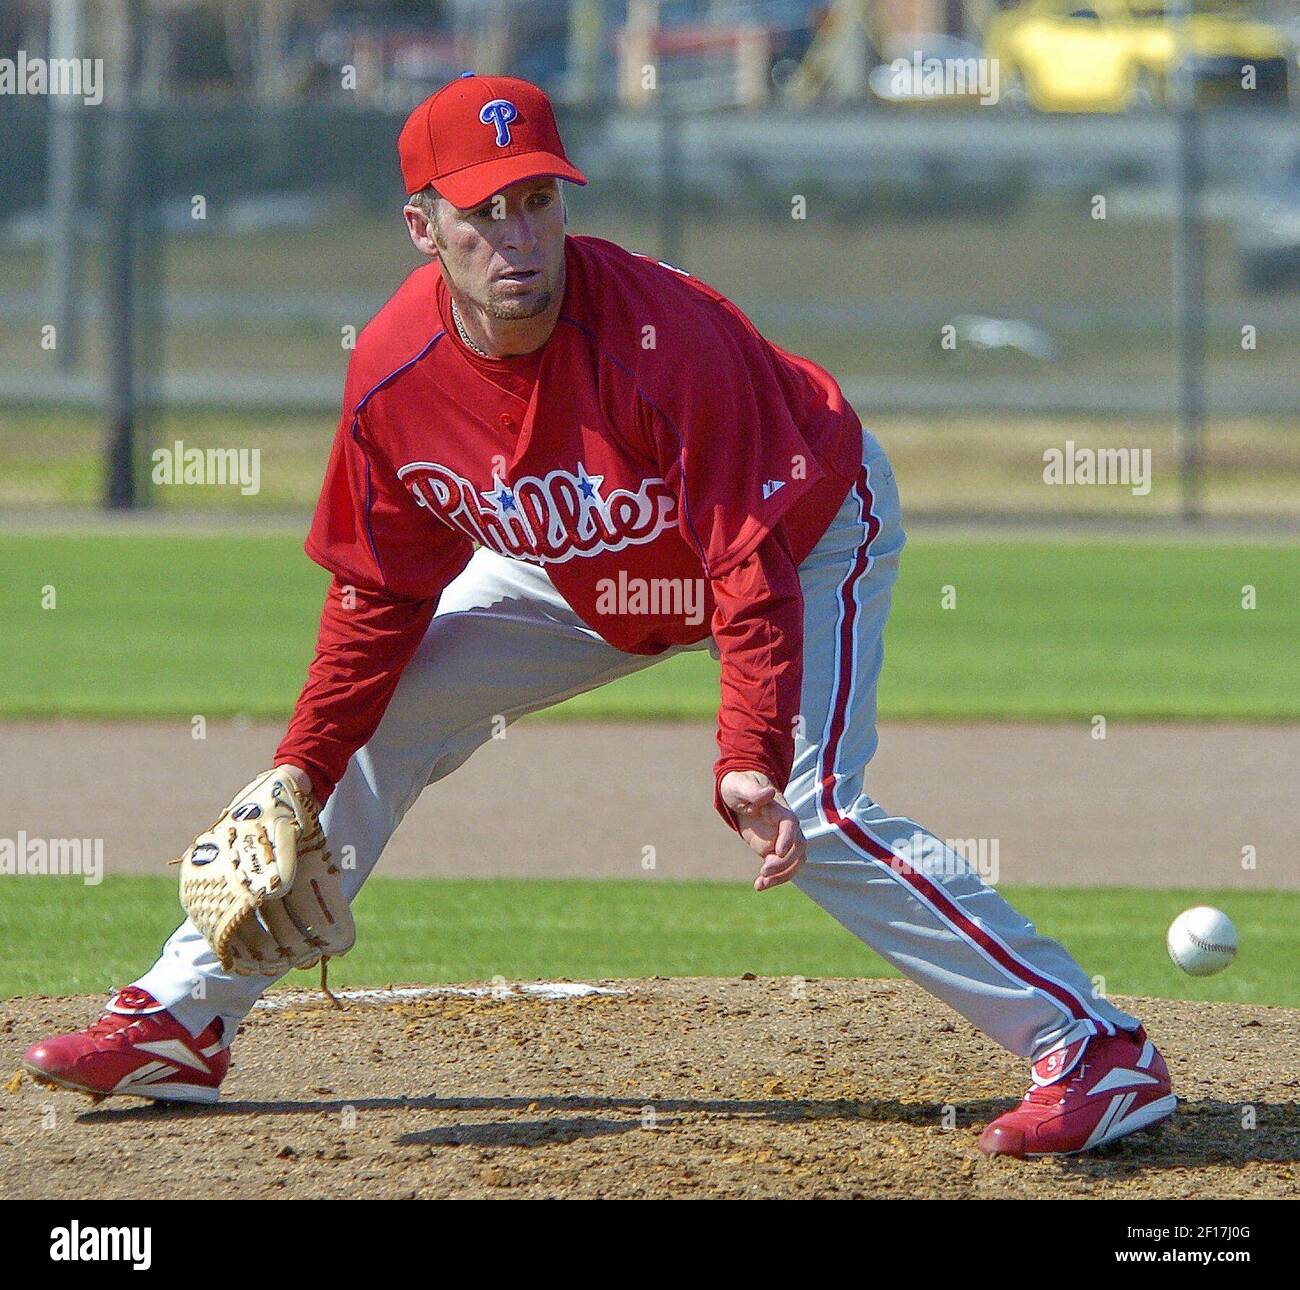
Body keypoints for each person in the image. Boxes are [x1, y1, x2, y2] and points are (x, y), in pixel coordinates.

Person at [24, 73, 1174, 1157]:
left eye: (535, 202)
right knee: (379, 724)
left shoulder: (665, 339)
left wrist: (744, 758)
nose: (517, 237)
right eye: (483, 211)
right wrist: (300, 764)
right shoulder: (392, 375)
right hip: (577, 565)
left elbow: (745, 559)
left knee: (811, 810)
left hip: (801, 527)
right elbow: (381, 590)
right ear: (422, 228)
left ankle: (1094, 1050)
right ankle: (184, 1017)